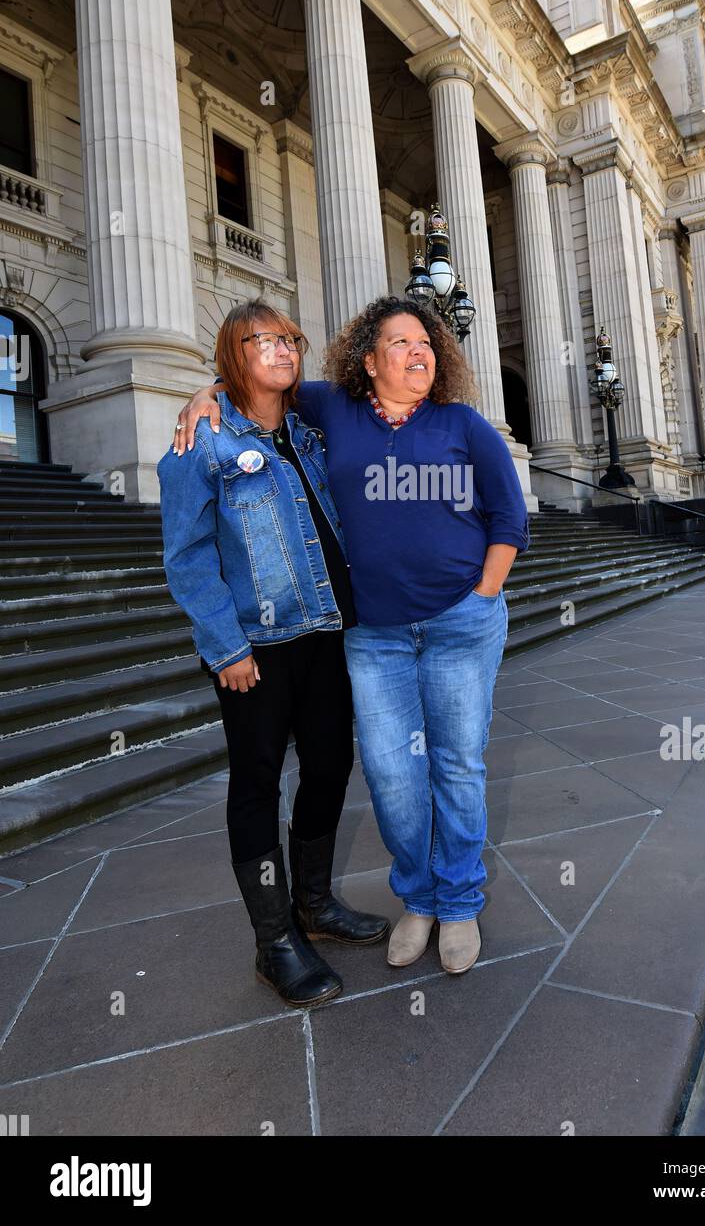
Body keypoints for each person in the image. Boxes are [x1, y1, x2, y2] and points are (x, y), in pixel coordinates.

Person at [172, 296, 529, 975]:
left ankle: (456, 903)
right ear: (368, 362)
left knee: (455, 765)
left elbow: (509, 520)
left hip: (459, 624)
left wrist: (482, 597)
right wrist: (203, 394)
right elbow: (257, 379)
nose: (418, 351)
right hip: (374, 637)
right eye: (400, 342)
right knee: (395, 777)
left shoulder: (465, 425)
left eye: (426, 342)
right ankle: (416, 898)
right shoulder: (332, 411)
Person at [157, 301, 388, 1012]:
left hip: (327, 632)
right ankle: (275, 941)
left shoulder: (309, 431)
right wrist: (224, 645)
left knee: (328, 765)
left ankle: (313, 903)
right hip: (255, 646)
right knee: (257, 783)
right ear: (234, 352)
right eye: (267, 340)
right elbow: (187, 554)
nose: (285, 348)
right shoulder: (203, 442)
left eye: (292, 338)